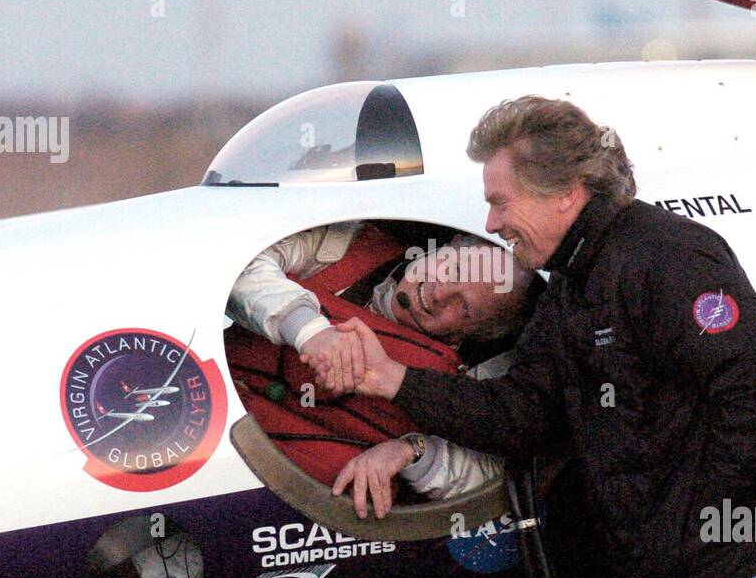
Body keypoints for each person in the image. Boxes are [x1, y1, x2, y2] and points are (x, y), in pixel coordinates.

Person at [317, 96, 756, 578]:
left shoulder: (666, 257)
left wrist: (695, 526)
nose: (491, 223)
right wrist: (393, 379)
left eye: (500, 203)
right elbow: (524, 414)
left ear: (565, 192)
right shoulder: (571, 291)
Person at [225, 221, 536, 518]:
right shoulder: (344, 244)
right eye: (452, 269)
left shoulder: (464, 388)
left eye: (463, 307)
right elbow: (236, 264)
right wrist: (309, 331)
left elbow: (495, 467)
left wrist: (410, 451)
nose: (440, 293)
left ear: (467, 334)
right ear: (446, 246)